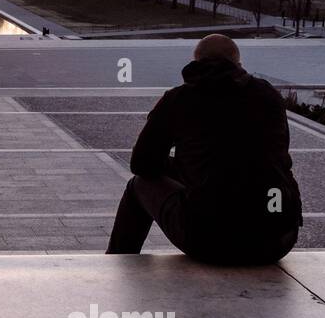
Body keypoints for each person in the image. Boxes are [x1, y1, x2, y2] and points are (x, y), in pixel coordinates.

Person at [106, 34, 302, 264]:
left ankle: (115, 264)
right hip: (276, 239)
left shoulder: (180, 99)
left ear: (196, 62)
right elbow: (275, 157)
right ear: (238, 63)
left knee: (139, 185)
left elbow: (142, 164)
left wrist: (183, 167)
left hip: (210, 240)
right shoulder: (268, 95)